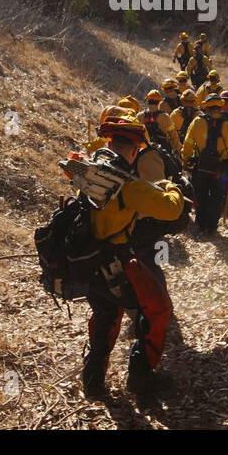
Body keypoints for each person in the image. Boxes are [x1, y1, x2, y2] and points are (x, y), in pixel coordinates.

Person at [72, 111, 185, 396]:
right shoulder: (128, 185)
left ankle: (93, 380)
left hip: (89, 259)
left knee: (106, 315)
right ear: (134, 150)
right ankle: (141, 377)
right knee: (157, 309)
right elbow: (171, 208)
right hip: (119, 260)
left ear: (109, 143)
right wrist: (169, 185)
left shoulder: (89, 171)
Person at [181, 92, 228, 235]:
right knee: (217, 197)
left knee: (200, 196)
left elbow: (188, 145)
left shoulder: (197, 122)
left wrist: (185, 159)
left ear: (206, 106)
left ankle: (201, 224)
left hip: (201, 167)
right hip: (220, 168)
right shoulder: (227, 125)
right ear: (220, 106)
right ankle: (212, 226)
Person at [142, 89, 184, 157]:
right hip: (162, 151)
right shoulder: (165, 117)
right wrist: (179, 150)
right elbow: (173, 135)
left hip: (144, 149)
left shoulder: (139, 116)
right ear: (159, 102)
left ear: (147, 101)